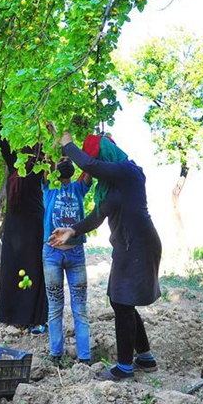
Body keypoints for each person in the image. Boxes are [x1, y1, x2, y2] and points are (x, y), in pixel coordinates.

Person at [49, 132, 162, 381]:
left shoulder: (129, 172)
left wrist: (68, 143)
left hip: (140, 245)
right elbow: (96, 217)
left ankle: (124, 368)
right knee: (121, 301)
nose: (97, 165)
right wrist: (72, 230)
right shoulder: (111, 189)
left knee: (122, 303)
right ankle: (144, 357)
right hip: (126, 246)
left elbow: (89, 165)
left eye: (98, 158)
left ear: (106, 156)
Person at [42, 127, 93, 364]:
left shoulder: (79, 188)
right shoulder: (49, 189)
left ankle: (84, 357)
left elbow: (88, 168)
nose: (63, 162)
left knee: (80, 308)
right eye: (61, 160)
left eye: (67, 159)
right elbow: (48, 161)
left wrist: (71, 149)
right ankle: (56, 354)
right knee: (55, 308)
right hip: (52, 255)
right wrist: (55, 139)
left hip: (76, 255)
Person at [0, 137, 48, 334]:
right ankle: (20, 317)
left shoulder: (37, 164)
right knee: (20, 270)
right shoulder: (16, 163)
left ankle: (30, 318)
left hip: (30, 226)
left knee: (31, 269)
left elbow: (3, 141)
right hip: (20, 226)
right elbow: (2, 140)